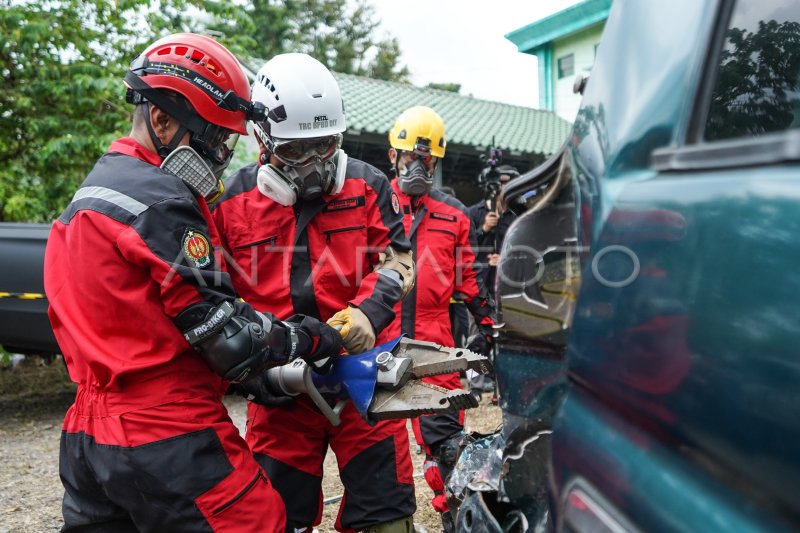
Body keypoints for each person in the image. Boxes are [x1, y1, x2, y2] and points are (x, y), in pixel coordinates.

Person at [44, 34, 342, 533]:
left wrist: (254, 381)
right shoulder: (162, 200)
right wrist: (309, 338)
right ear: (162, 120)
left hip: (87, 440)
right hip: (167, 432)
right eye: (216, 140)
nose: (222, 158)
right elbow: (227, 338)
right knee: (261, 523)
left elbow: (146, 330)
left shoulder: (84, 203)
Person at [211, 53, 417, 533]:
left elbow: (397, 260)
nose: (315, 164)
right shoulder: (231, 203)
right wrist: (248, 369)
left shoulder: (368, 185)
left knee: (386, 519)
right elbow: (215, 298)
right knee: (277, 521)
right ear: (262, 142)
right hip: (280, 392)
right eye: (297, 151)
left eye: (326, 146)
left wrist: (368, 312)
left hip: (366, 382)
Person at [386, 106, 495, 532]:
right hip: (381, 342)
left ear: (437, 160)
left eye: (426, 159)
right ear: (393, 156)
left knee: (447, 445)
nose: (417, 166)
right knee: (381, 450)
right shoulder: (374, 202)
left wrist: (490, 326)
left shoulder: (454, 214)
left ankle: (458, 517)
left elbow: (469, 278)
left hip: (435, 347)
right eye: (410, 157)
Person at [468, 164, 520, 302]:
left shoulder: (515, 220)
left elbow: (520, 254)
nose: (503, 187)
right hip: (475, 289)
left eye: (508, 183)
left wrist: (504, 260)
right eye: (501, 182)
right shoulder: (472, 213)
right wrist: (483, 229)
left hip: (503, 290)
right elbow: (462, 248)